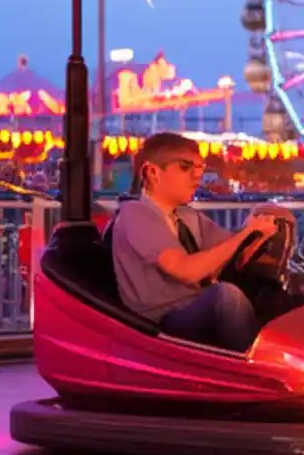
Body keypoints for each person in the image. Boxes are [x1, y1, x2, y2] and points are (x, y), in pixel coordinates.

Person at [111, 133, 279, 351]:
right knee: (226, 298)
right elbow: (185, 270)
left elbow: (232, 255)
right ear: (152, 172)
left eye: (200, 168)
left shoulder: (187, 216)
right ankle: (255, 368)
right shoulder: (136, 214)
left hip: (194, 304)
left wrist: (259, 235)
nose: (197, 177)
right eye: (185, 167)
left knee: (274, 298)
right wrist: (245, 233)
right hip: (160, 319)